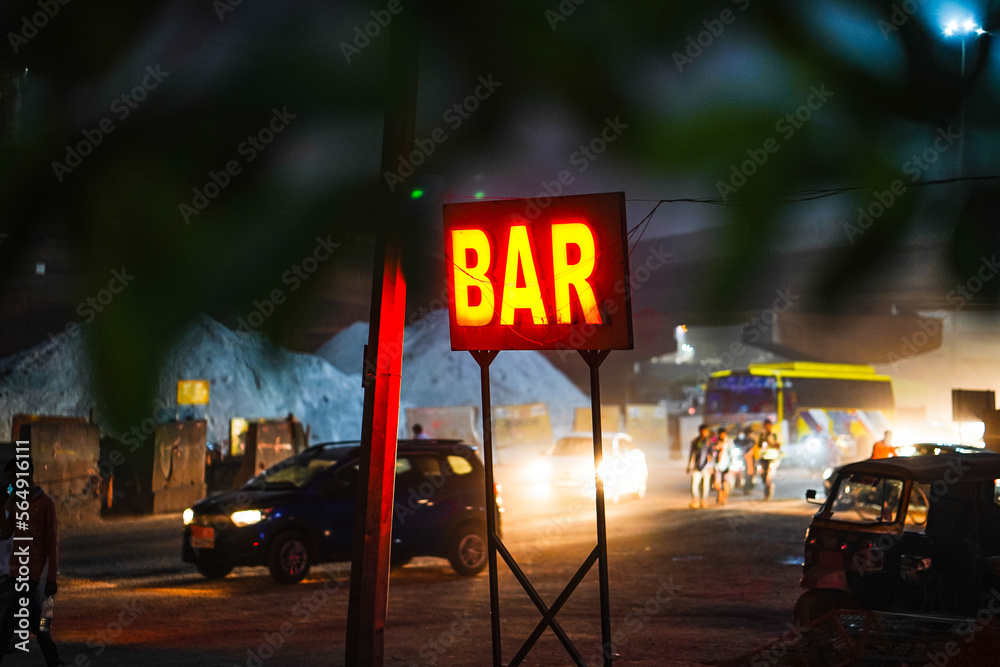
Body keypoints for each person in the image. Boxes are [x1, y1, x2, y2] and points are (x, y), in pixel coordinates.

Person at [0, 458, 62, 667]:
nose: (13, 481)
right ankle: (55, 662)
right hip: (17, 571)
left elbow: (52, 543)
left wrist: (51, 578)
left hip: (32, 572)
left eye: (14, 476)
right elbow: (7, 532)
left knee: (8, 620)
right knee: (38, 624)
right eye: (10, 478)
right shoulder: (17, 503)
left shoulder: (46, 505)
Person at [686, 424, 714, 509]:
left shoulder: (709, 442)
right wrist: (689, 465)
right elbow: (691, 453)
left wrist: (711, 466)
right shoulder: (695, 441)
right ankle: (695, 500)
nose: (704, 433)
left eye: (705, 431)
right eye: (702, 431)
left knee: (705, 485)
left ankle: (703, 501)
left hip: (706, 467)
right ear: (700, 431)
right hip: (696, 466)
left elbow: (711, 455)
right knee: (694, 485)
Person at [758, 419, 782, 500]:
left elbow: (778, 445)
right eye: (765, 426)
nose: (767, 428)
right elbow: (758, 445)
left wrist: (770, 443)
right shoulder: (761, 435)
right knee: (763, 476)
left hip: (773, 458)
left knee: (769, 476)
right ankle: (768, 487)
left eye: (768, 426)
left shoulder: (775, 435)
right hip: (763, 458)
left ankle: (767, 492)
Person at [712, 429, 734, 505]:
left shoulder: (729, 442)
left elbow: (732, 454)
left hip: (727, 465)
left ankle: (724, 498)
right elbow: (712, 447)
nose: (722, 436)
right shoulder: (715, 440)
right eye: (720, 434)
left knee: (726, 483)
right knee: (717, 483)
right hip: (717, 466)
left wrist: (732, 466)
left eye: (723, 434)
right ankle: (720, 494)